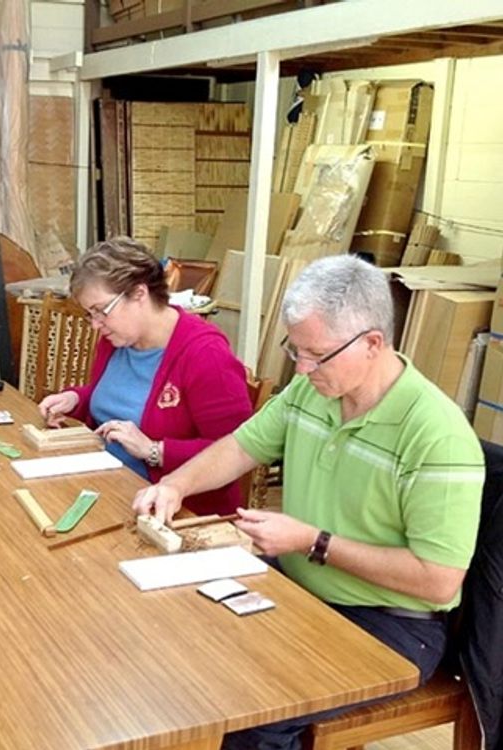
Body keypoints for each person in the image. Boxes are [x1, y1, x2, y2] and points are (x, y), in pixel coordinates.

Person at [133, 254, 484, 750]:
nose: (301, 367)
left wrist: (312, 541)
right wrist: (176, 485)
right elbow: (240, 446)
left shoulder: (437, 435)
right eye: (295, 349)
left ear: (372, 344)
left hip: (391, 623)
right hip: (303, 588)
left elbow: (437, 579)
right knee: (181, 647)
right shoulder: (310, 391)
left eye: (315, 354)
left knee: (255, 712)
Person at [37, 237, 252, 516]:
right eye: (89, 314)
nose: (94, 325)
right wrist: (75, 398)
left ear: (139, 294)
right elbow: (115, 397)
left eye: (101, 311)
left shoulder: (205, 354)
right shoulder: (117, 339)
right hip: (110, 485)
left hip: (177, 511)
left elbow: (238, 450)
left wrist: (154, 450)